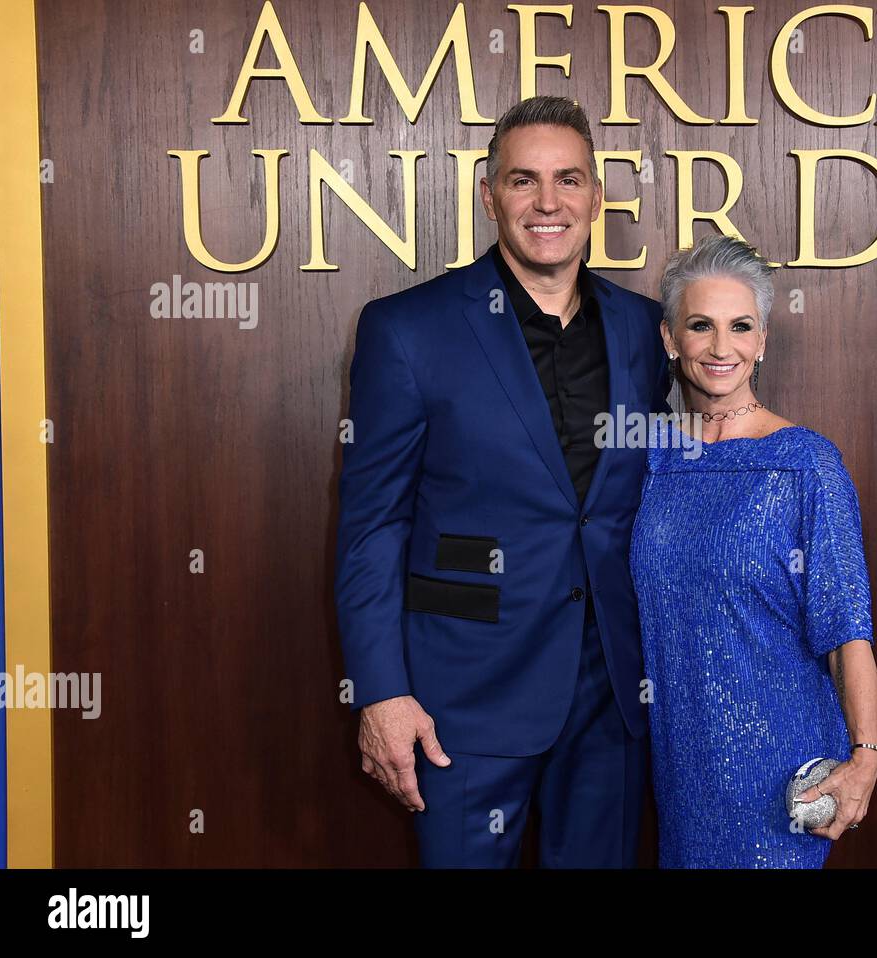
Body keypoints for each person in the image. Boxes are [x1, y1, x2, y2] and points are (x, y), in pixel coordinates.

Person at [334, 95, 670, 867]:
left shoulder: (644, 331)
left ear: (595, 195)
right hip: (462, 704)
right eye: (524, 181)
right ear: (489, 195)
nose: (548, 202)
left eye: (568, 180)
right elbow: (371, 528)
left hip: (612, 698)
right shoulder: (407, 329)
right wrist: (382, 694)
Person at [629, 234, 877, 868]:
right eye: (700, 325)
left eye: (741, 327)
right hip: (678, 760)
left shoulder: (806, 464)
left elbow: (847, 629)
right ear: (669, 338)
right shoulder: (647, 458)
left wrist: (866, 756)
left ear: (762, 340)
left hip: (779, 765)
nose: (721, 347)